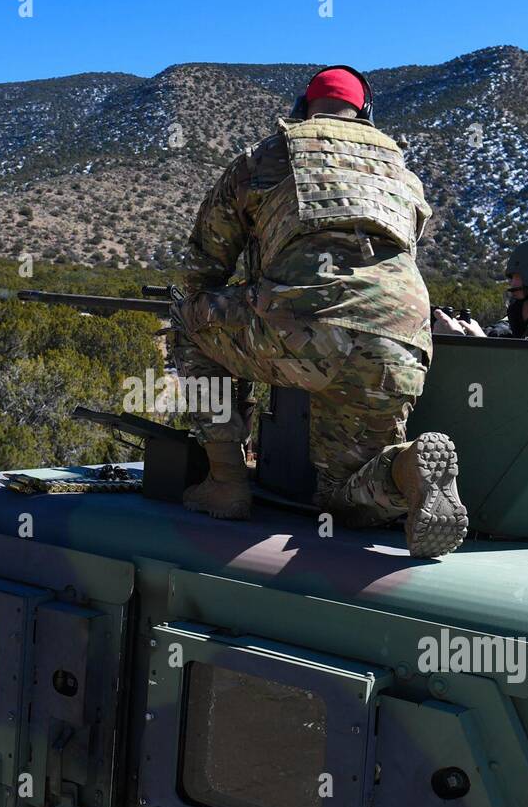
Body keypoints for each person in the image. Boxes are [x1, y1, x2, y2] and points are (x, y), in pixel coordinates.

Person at [169, 65, 468, 558]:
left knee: (188, 318)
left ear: (301, 109)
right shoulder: (403, 174)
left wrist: (233, 304)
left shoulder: (264, 157)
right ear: (366, 114)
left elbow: (203, 266)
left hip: (301, 331)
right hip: (398, 340)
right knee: (341, 498)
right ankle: (405, 469)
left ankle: (225, 481)